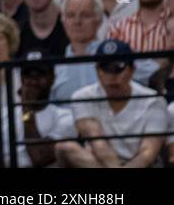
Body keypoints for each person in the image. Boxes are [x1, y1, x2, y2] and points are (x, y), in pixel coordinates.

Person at [58, 40, 167, 168]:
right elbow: (98, 142)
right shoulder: (82, 97)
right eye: (105, 68)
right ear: (97, 70)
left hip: (140, 165)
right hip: (100, 163)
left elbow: (147, 154)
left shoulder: (154, 101)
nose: (111, 76)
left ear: (132, 70)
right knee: (65, 148)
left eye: (118, 68)